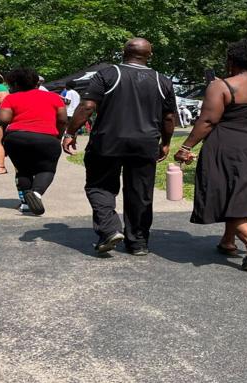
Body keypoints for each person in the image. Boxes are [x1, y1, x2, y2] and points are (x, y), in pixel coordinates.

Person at [63, 38, 180, 255]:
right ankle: (138, 243)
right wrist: (165, 142)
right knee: (140, 192)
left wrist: (70, 132)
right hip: (145, 144)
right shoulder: (162, 80)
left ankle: (109, 230)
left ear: (123, 52)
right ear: (149, 55)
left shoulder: (108, 74)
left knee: (100, 186)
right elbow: (169, 117)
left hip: (108, 141)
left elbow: (88, 105)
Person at [175, 40, 247, 271]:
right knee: (240, 191)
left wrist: (186, 147)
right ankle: (228, 241)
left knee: (226, 191)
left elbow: (208, 120)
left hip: (230, 144)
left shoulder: (220, 85)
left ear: (230, 60)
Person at [0, 67, 68, 216]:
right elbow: (62, 120)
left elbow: (3, 119)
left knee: (23, 169)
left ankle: (26, 204)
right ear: (36, 82)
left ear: (14, 84)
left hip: (16, 138)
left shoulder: (11, 98)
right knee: (46, 169)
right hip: (46, 138)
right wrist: (58, 137)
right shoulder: (54, 97)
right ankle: (36, 193)